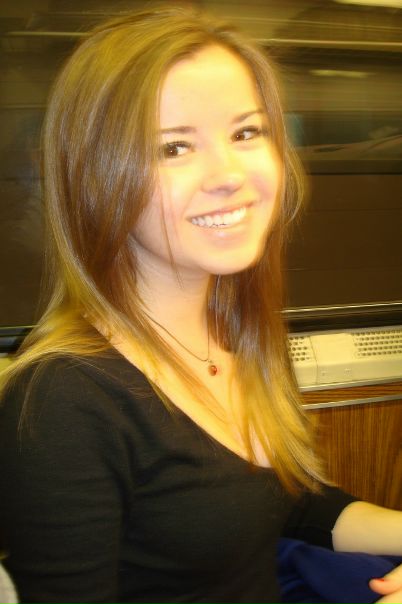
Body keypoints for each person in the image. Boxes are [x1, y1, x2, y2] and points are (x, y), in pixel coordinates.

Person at [0, 6, 401, 604]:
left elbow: (282, 504)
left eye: (246, 133)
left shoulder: (238, 333)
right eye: (174, 147)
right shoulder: (63, 399)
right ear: (95, 178)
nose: (229, 174)